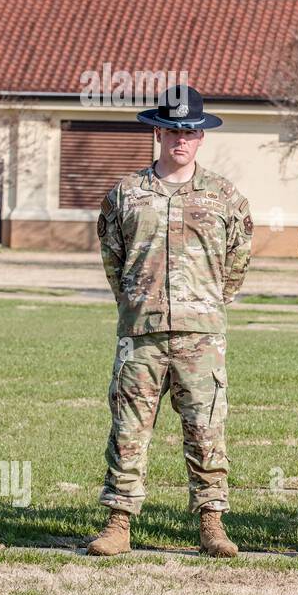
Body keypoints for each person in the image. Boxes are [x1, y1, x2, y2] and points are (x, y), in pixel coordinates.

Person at [90, 85, 252, 558]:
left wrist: (207, 305)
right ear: (157, 132)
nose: (181, 139)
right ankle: (119, 522)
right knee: (128, 427)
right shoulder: (126, 194)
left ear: (201, 138)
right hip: (140, 334)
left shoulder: (225, 196)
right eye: (173, 130)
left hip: (201, 336)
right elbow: (113, 260)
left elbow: (237, 261)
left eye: (190, 131)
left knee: (205, 429)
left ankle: (212, 524)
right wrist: (137, 303)